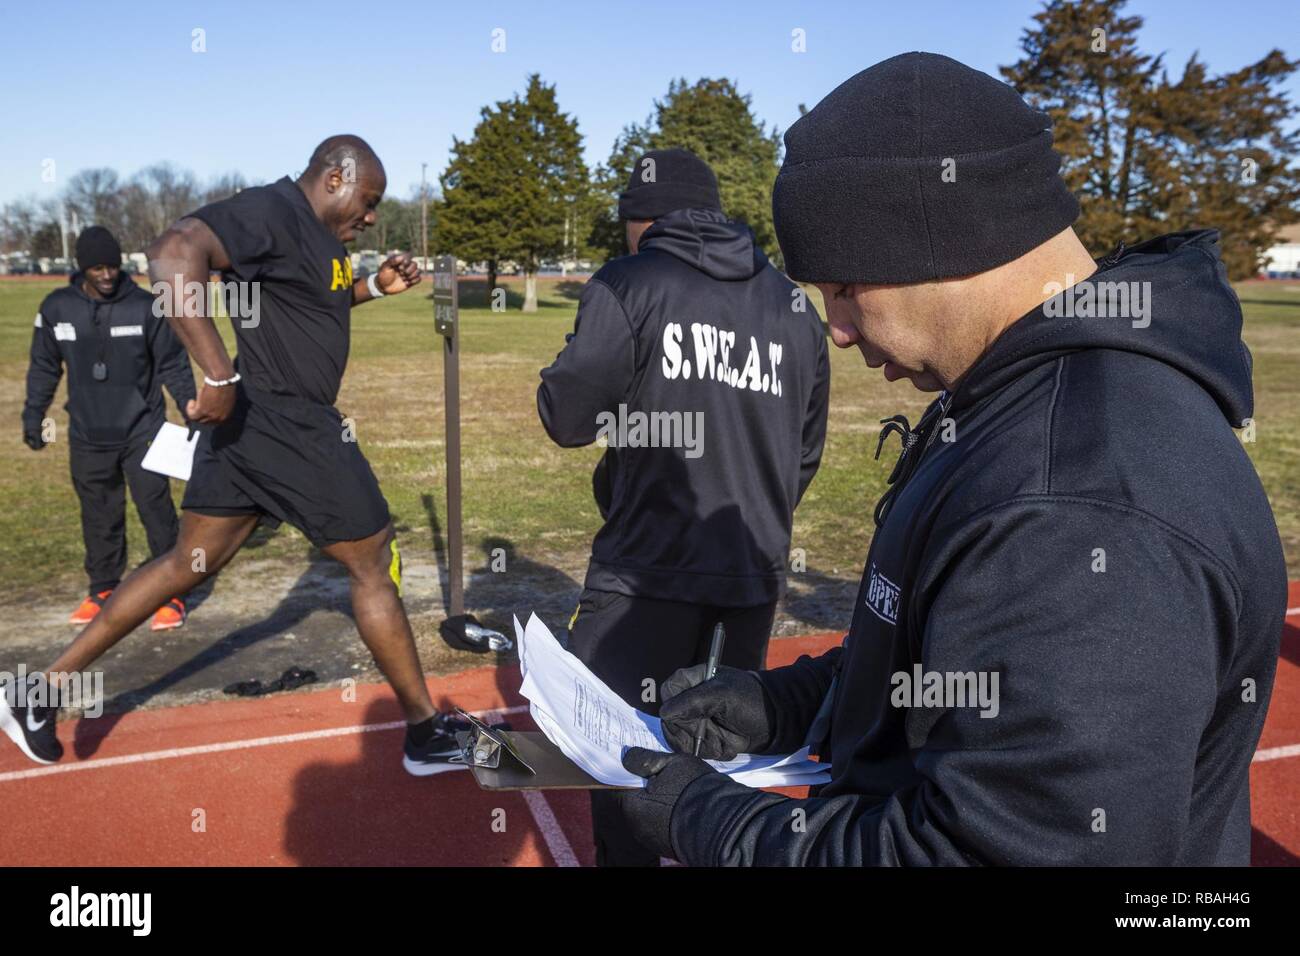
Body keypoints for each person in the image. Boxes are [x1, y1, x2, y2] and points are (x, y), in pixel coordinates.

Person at [611, 53, 1287, 865]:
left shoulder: (1073, 503)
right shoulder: (1028, 395)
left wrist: (713, 826)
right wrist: (792, 702)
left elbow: (993, 853)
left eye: (842, 288)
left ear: (933, 240)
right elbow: (971, 661)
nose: (836, 329)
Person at [2, 136, 469, 775]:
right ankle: (424, 731)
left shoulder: (317, 238)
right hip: (288, 423)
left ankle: (40, 691)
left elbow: (311, 301)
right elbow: (171, 253)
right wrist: (216, 373)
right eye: (368, 201)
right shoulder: (274, 211)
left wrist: (374, 289)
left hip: (252, 431)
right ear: (335, 176)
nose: (370, 217)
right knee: (373, 557)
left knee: (185, 563)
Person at [537, 147, 830, 865]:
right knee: (715, 759)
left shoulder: (630, 280)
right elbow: (805, 455)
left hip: (646, 574)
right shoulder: (796, 307)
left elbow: (566, 416)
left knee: (624, 770)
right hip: (752, 573)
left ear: (641, 222)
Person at [22, 226, 195, 630]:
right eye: (97, 267)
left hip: (143, 430)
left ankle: (172, 593)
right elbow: (45, 366)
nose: (106, 275)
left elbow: (173, 363)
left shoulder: (147, 307)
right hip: (87, 431)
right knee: (99, 513)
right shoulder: (56, 308)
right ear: (83, 268)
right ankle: (102, 588)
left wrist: (190, 409)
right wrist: (34, 414)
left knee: (156, 511)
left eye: (112, 266)